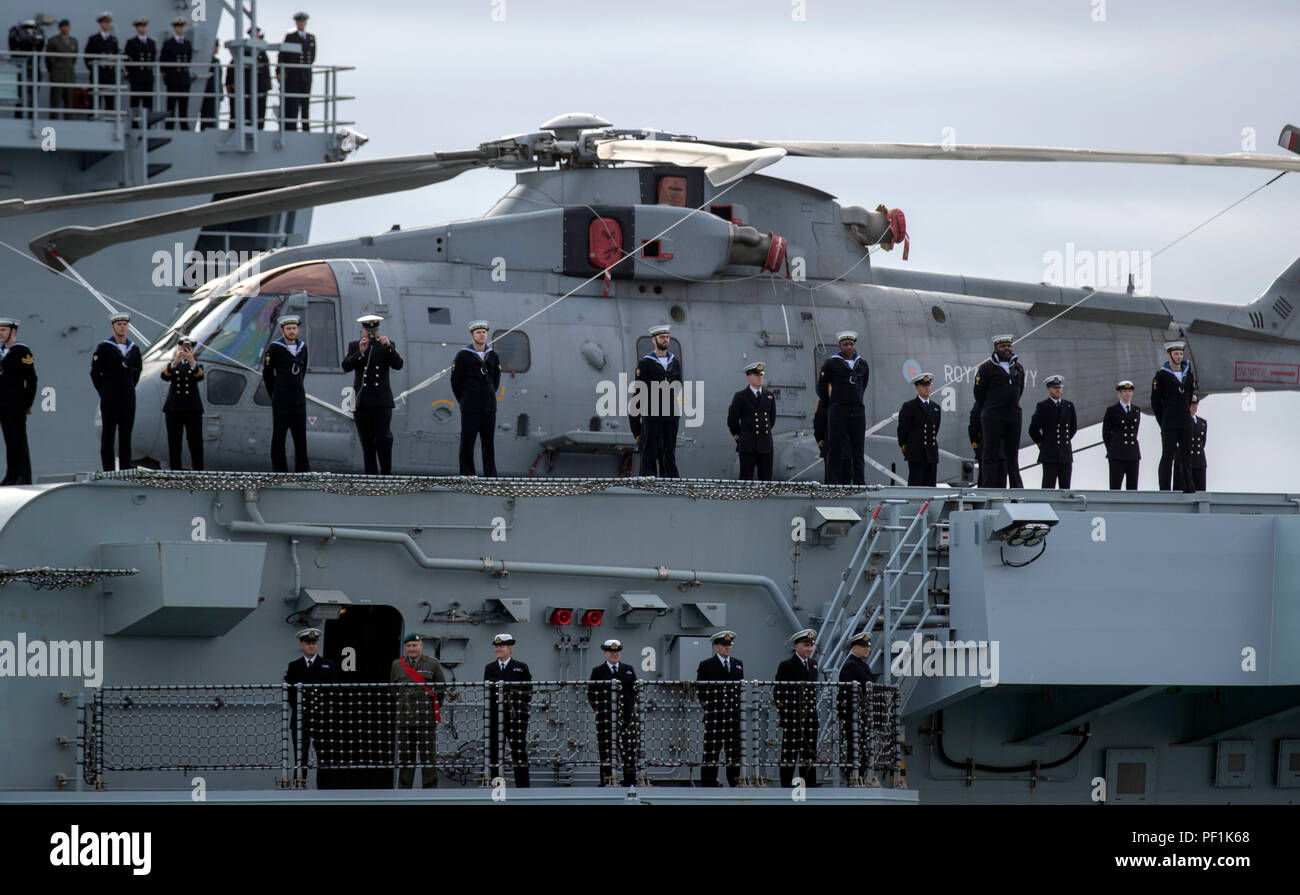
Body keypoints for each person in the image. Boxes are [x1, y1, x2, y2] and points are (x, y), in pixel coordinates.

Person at [341, 314, 403, 474]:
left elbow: (398, 365)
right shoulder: (355, 345)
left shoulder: (387, 345)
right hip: (362, 400)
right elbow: (346, 366)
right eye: (367, 330)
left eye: (374, 330)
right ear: (362, 330)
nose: (371, 333)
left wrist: (388, 347)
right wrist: (360, 353)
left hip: (382, 400)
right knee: (367, 442)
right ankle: (371, 475)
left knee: (383, 439)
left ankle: (386, 474)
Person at [390, 633, 445, 788]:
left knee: (428, 757)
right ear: (405, 647)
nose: (412, 649)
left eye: (414, 645)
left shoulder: (432, 664)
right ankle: (404, 790)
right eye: (408, 646)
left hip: (426, 719)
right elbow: (393, 689)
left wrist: (429, 707)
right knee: (406, 757)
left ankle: (430, 790)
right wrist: (404, 704)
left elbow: (441, 688)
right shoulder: (397, 665)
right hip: (405, 719)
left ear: (421, 646)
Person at [972, 335, 1026, 488]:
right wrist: (991, 407)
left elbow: (1020, 389)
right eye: (1003, 346)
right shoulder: (986, 368)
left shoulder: (1018, 368)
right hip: (993, 415)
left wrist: (1010, 406)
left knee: (1012, 454)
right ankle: (988, 486)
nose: (1007, 349)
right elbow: (979, 393)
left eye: (1009, 346)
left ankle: (1017, 488)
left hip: (1013, 415)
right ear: (996, 347)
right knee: (990, 453)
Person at [90, 313, 141, 471]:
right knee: (108, 435)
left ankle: (126, 467)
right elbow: (95, 373)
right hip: (110, 397)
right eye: (118, 324)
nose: (122, 327)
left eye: (124, 324)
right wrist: (105, 391)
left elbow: (137, 372)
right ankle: (108, 469)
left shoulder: (134, 349)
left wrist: (129, 386)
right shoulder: (104, 348)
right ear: (113, 327)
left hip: (128, 398)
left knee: (126, 434)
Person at [630, 324, 682, 477]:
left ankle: (672, 480)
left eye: (666, 337)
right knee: (650, 449)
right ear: (654, 340)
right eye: (661, 337)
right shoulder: (645, 363)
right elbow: (639, 391)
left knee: (669, 450)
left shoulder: (674, 362)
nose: (665, 340)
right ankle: (648, 478)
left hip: (671, 413)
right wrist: (635, 419)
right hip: (652, 413)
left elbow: (678, 385)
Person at [817, 331, 869, 485]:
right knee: (835, 448)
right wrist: (830, 404)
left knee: (858, 449)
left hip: (857, 411)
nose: (849, 347)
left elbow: (863, 385)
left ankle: (859, 481)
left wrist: (856, 399)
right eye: (845, 344)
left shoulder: (862, 364)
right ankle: (834, 482)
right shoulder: (831, 364)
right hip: (838, 411)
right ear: (840, 347)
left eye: (851, 344)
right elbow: (821, 387)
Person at [284, 627, 334, 782]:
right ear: (302, 645)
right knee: (300, 755)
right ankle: (300, 785)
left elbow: (333, 691)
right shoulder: (294, 666)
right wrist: (300, 708)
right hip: (301, 717)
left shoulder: (328, 665)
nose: (311, 646)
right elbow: (291, 693)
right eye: (308, 643)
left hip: (321, 717)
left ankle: (324, 788)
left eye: (313, 643)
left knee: (323, 756)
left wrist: (327, 709)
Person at [450, 320, 500, 476]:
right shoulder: (463, 356)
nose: (482, 335)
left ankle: (490, 474)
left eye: (484, 332)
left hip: (489, 407)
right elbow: (455, 382)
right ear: (472, 335)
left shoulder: (493, 355)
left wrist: (489, 393)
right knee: (467, 442)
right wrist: (466, 399)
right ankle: (467, 473)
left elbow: (496, 380)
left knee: (488, 442)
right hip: (470, 406)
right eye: (478, 332)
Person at [695, 630, 744, 787]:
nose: (727, 647)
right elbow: (701, 690)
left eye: (729, 645)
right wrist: (710, 707)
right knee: (711, 751)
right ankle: (708, 783)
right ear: (716, 647)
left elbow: (739, 689)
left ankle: (734, 782)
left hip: (732, 715)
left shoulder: (738, 664)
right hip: (715, 714)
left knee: (734, 752)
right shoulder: (706, 665)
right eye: (724, 645)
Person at [587, 638, 638, 787]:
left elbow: (634, 691)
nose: (614, 654)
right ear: (605, 653)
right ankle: (606, 781)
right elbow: (592, 693)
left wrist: (629, 709)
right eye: (611, 651)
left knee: (628, 751)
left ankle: (630, 783)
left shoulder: (628, 670)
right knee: (606, 750)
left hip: (626, 718)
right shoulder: (598, 671)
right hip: (606, 718)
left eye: (616, 652)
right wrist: (599, 710)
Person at [483, 633, 531, 788]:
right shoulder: (490, 668)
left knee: (519, 749)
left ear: (510, 648)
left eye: (501, 646)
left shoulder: (521, 667)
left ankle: (523, 786)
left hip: (516, 715)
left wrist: (519, 707)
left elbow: (528, 690)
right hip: (495, 716)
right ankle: (497, 785)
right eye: (496, 646)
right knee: (495, 751)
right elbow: (488, 692)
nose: (498, 649)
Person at [262, 315, 310, 472]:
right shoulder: (274, 348)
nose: (292, 332)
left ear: (298, 330)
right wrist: (275, 394)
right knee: (279, 437)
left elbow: (302, 372)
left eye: (294, 329)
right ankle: (279, 471)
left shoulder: (303, 348)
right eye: (288, 329)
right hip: (281, 400)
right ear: (282, 331)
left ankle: (302, 471)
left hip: (298, 400)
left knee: (300, 438)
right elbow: (268, 375)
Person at [774, 628, 820, 788]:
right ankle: (786, 785)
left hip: (810, 718)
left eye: (811, 645)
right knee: (789, 753)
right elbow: (778, 692)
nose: (809, 649)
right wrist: (786, 714)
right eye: (805, 645)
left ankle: (808, 784)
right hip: (793, 718)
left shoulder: (814, 665)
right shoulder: (787, 665)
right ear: (796, 646)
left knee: (809, 754)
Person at [1151, 340, 1197, 493]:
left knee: (1186, 456)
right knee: (1168, 455)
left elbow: (1190, 395)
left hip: (1185, 422)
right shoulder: (1161, 376)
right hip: (1169, 423)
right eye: (1176, 354)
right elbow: (1156, 402)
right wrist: (1163, 420)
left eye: (1181, 354)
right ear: (1169, 355)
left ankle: (1188, 487)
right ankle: (1164, 488)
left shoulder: (1188, 374)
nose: (1179, 357)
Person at [0, 318, 36, 485]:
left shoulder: (22, 352)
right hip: (3, 404)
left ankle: (24, 475)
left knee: (19, 440)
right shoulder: (2, 352)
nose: (0, 333)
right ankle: (11, 474)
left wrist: (27, 404)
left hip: (16, 404)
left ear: (13, 332)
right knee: (9, 439)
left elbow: (32, 380)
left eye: (3, 330)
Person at [727, 361, 776, 481]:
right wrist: (740, 438)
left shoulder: (769, 396)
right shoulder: (740, 397)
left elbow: (771, 420)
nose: (760, 378)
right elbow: (732, 421)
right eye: (756, 375)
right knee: (746, 479)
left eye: (761, 375)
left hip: (765, 445)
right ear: (749, 377)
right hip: (747, 445)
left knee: (766, 481)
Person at [160, 336, 204, 470]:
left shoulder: (196, 365)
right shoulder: (173, 365)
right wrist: (175, 362)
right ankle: (175, 470)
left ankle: (198, 471)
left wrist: (192, 361)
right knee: (174, 442)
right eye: (183, 347)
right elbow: (165, 377)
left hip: (192, 408)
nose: (186, 350)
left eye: (189, 347)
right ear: (178, 348)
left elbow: (199, 376)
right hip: (174, 408)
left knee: (195, 442)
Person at [1027, 374, 1077, 488]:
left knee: (1065, 488)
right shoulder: (1043, 406)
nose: (1057, 390)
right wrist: (1043, 444)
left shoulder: (1068, 405)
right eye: (1055, 388)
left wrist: (1065, 440)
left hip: (1065, 453)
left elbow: (1073, 427)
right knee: (1048, 487)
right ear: (1049, 389)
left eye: (1059, 387)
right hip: (1049, 453)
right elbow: (1033, 430)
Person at [837, 630, 875, 782]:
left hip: (862, 714)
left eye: (868, 646)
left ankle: (858, 775)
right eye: (863, 646)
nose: (867, 649)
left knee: (862, 747)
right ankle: (854, 776)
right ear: (854, 648)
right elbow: (844, 692)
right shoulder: (851, 665)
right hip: (854, 714)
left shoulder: (860, 664)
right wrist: (844, 711)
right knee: (856, 746)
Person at [897, 371, 941, 486]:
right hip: (916, 453)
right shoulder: (909, 407)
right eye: (924, 386)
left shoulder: (935, 408)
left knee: (930, 486)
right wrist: (905, 446)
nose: (927, 389)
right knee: (916, 484)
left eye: (928, 385)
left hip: (931, 454)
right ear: (917, 387)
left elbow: (935, 430)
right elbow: (902, 430)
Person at [277, 12, 316, 131]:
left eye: (303, 21)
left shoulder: (310, 38)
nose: (302, 23)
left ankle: (306, 127)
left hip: (305, 74)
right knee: (293, 103)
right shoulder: (291, 37)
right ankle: (291, 127)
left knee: (305, 103)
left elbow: (312, 56)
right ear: (297, 23)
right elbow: (283, 55)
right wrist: (280, 71)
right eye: (300, 21)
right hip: (294, 75)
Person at [225, 29, 270, 129]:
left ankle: (258, 129)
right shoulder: (244, 51)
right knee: (243, 112)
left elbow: (266, 71)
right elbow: (232, 67)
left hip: (260, 89)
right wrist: (230, 85)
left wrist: (267, 86)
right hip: (246, 89)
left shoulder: (263, 54)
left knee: (259, 113)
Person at [1102, 380, 1141, 490]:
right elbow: (1106, 434)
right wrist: (1112, 449)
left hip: (1133, 453)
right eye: (1124, 391)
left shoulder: (1136, 410)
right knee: (1115, 487)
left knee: (1132, 488)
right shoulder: (1112, 410)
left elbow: (1135, 431)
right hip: (1117, 454)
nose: (1127, 394)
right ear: (1119, 394)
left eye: (1129, 391)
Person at [159, 17, 193, 129]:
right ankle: (170, 125)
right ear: (174, 28)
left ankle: (184, 124)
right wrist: (166, 75)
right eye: (178, 27)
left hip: (183, 78)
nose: (180, 29)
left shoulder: (187, 44)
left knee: (184, 103)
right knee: (171, 103)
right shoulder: (168, 43)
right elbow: (163, 60)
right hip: (173, 78)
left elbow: (188, 59)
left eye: (182, 27)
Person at [8, 18, 44, 118]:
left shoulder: (39, 34)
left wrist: (34, 40)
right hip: (20, 68)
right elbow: (14, 48)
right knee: (20, 95)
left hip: (33, 68)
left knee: (33, 96)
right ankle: (19, 116)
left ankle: (32, 116)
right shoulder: (16, 34)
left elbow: (40, 46)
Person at [85, 12, 120, 112]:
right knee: (95, 100)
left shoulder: (114, 40)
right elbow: (88, 57)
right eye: (105, 22)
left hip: (110, 74)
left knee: (110, 101)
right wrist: (93, 69)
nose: (107, 25)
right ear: (100, 24)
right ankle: (93, 119)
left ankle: (110, 119)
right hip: (98, 74)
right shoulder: (93, 39)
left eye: (109, 22)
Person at [122, 17, 156, 118]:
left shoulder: (151, 43)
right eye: (140, 26)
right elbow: (126, 59)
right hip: (136, 77)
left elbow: (153, 58)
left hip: (148, 77)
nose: (143, 28)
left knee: (148, 103)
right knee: (135, 102)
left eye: (144, 26)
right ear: (137, 28)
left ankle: (147, 125)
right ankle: (134, 124)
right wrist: (131, 73)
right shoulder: (131, 42)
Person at [1173, 395, 1208, 492]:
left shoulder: (1202, 422)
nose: (1193, 407)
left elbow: (1202, 442)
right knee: (1181, 490)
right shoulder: (1180, 421)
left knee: (1200, 490)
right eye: (1191, 404)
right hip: (1184, 460)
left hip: (1199, 461)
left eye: (1195, 404)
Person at [45, 20, 78, 120]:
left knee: (69, 101)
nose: (66, 28)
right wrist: (53, 71)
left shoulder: (74, 41)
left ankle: (68, 121)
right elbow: (48, 59)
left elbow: (74, 58)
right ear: (60, 28)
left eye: (67, 26)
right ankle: (53, 121)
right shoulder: (53, 41)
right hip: (57, 74)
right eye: (63, 26)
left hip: (69, 75)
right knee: (55, 100)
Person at [197, 39, 220, 129]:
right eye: (216, 46)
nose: (218, 48)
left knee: (213, 117)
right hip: (209, 93)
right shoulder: (209, 61)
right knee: (208, 116)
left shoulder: (215, 61)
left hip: (215, 93)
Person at [812, 399, 828, 484]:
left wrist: (822, 445)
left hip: (830, 448)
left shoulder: (826, 400)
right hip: (846, 450)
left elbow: (818, 425)